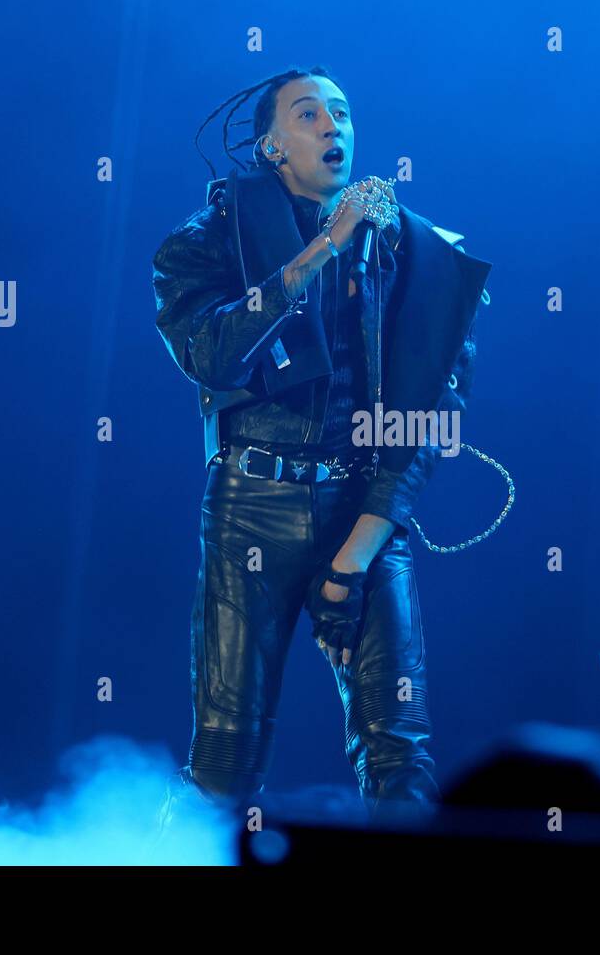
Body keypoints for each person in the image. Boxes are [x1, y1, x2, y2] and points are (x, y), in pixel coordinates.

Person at [152, 66, 491, 824]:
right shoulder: (206, 242)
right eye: (310, 115)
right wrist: (320, 253)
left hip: (364, 511)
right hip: (252, 507)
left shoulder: (411, 251)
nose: (334, 126)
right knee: (225, 759)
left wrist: (355, 560)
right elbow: (213, 356)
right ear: (272, 144)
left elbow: (429, 416)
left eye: (342, 113)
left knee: (399, 751)